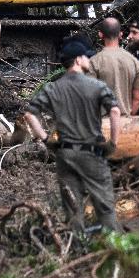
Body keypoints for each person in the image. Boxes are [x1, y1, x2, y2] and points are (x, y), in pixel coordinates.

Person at [21, 40, 124, 233]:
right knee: (105, 206)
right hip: (91, 153)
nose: (89, 60)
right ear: (77, 60)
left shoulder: (53, 88)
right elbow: (115, 112)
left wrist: (45, 139)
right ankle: (113, 249)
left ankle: (76, 248)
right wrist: (113, 143)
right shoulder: (97, 86)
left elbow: (29, 114)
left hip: (65, 154)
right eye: (86, 56)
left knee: (72, 208)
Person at [89, 17, 139, 114]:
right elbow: (138, 99)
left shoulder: (94, 62)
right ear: (120, 34)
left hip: (103, 123)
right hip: (126, 122)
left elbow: (90, 98)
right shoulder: (134, 61)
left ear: (100, 34)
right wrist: (128, 118)